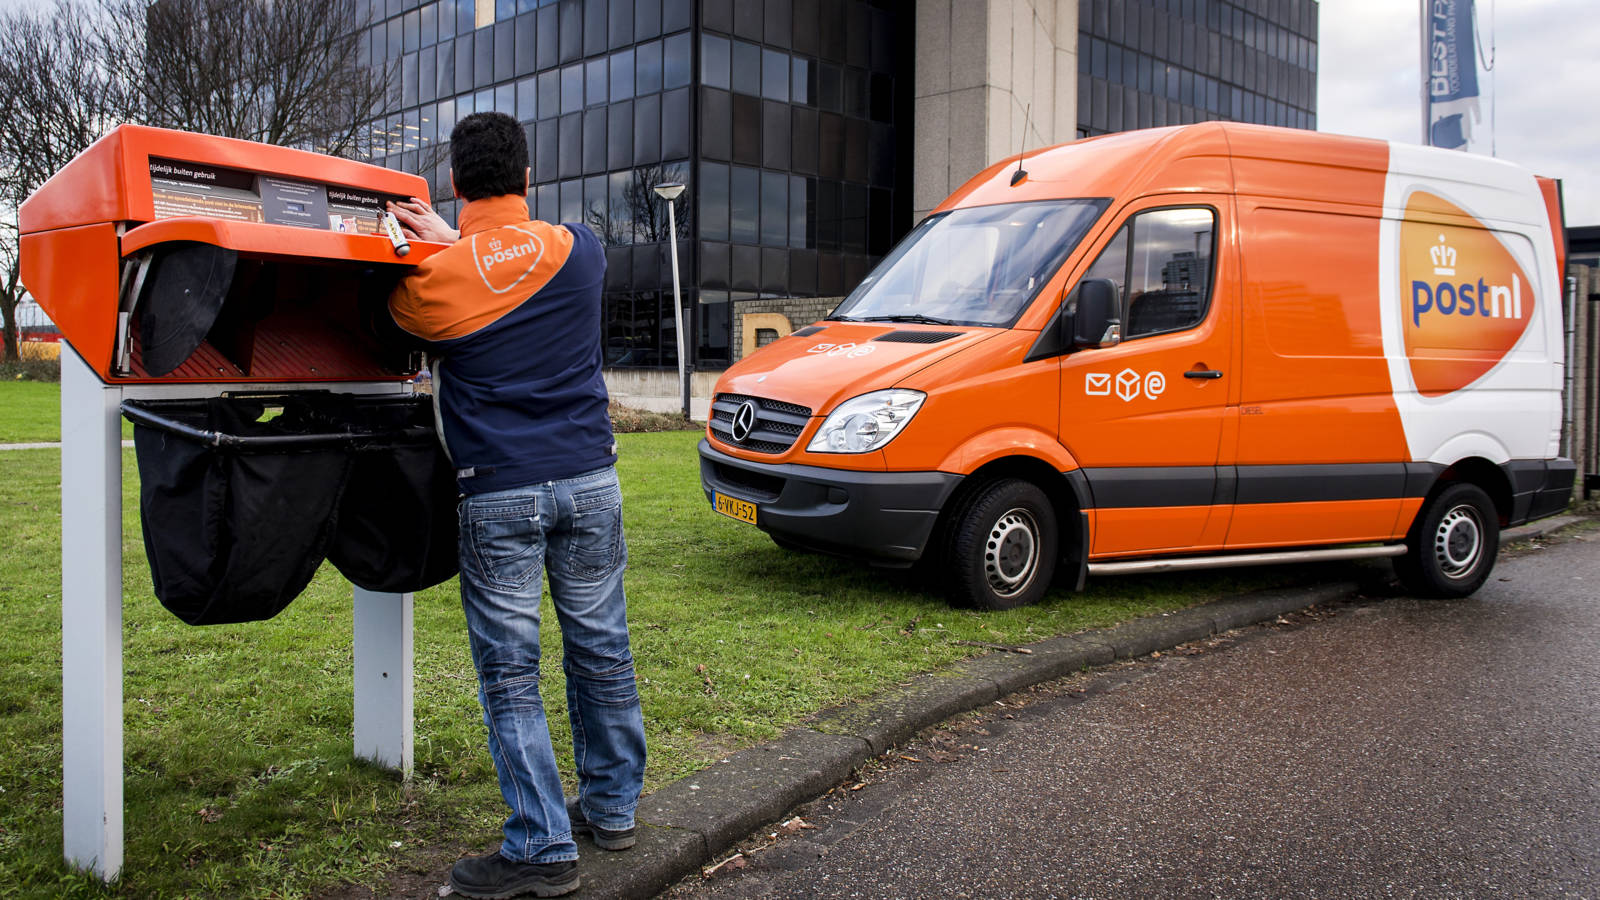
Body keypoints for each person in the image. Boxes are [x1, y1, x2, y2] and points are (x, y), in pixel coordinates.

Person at [382, 111, 646, 899]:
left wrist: (441, 243)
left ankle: (539, 845)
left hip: (499, 493)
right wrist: (461, 242)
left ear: (456, 185)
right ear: (529, 179)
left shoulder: (432, 283)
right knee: (602, 647)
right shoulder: (583, 252)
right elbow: (516, 262)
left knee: (511, 675)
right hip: (591, 482)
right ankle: (612, 807)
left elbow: (417, 311)